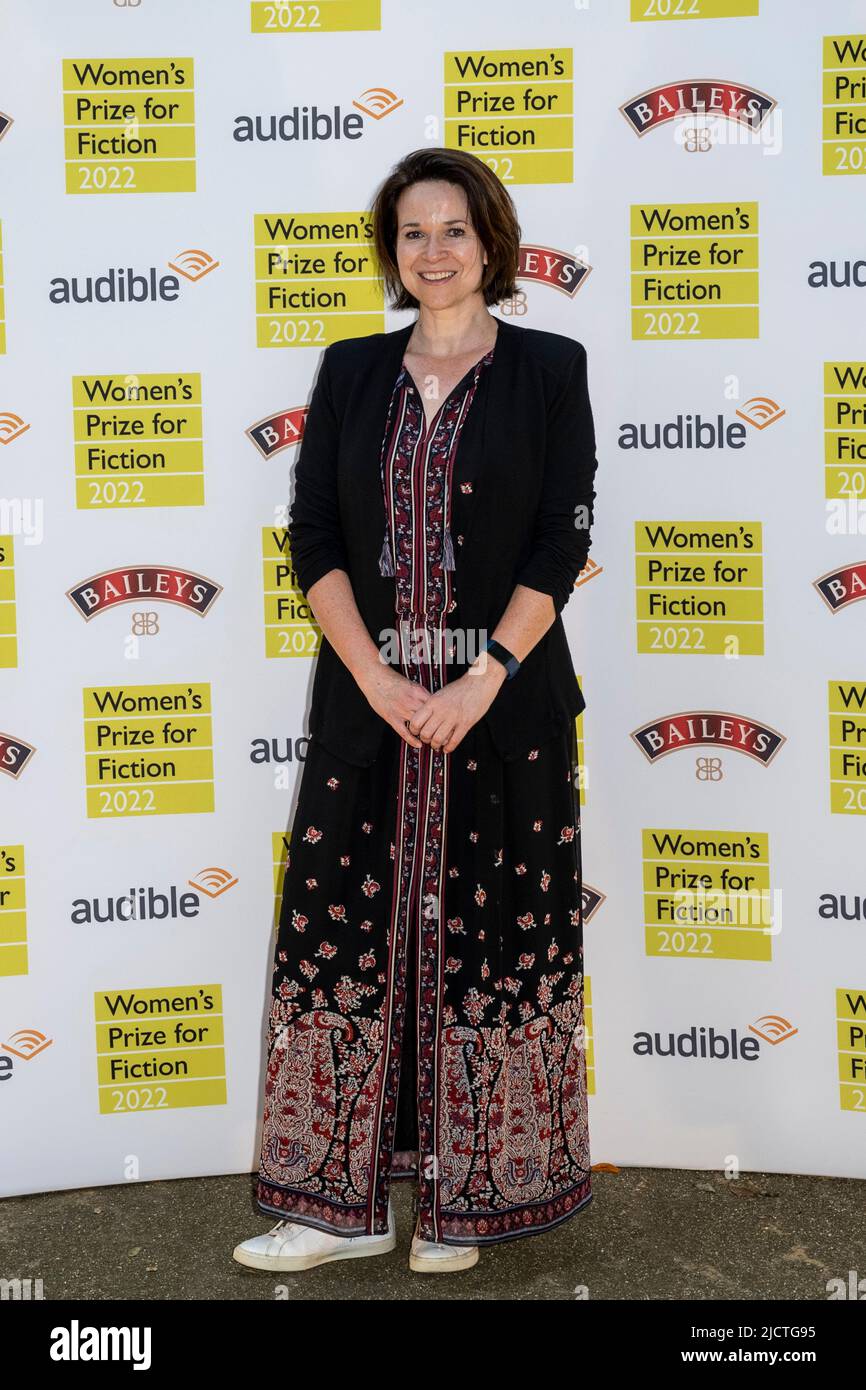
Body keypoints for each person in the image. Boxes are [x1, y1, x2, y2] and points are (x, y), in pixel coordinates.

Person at [233, 147, 599, 1276]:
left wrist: (478, 676)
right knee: (341, 934)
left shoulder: (548, 367)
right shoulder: (349, 370)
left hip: (505, 704)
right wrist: (381, 680)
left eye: (450, 228)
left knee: (492, 939)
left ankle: (471, 1202)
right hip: (368, 714)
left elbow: (562, 533)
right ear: (390, 253)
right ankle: (334, 1207)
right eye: (409, 232)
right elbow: (316, 540)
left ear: (488, 240)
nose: (430, 250)